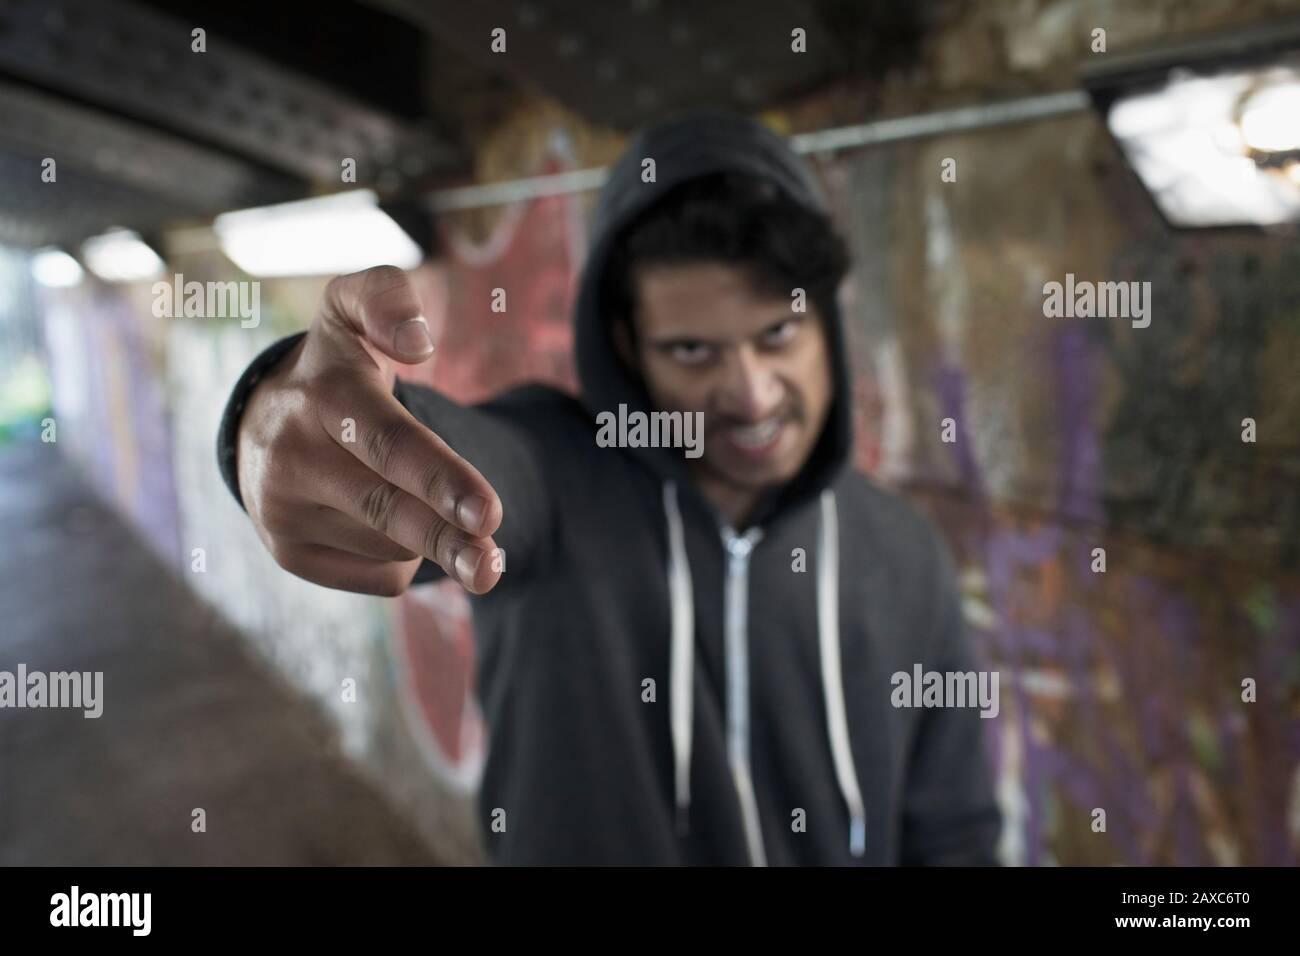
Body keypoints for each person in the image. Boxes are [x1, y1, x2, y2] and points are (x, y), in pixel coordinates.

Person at [217, 112, 1001, 865]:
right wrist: (289, 416)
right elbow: (470, 465)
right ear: (626, 342)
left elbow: (955, 838)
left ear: (825, 320)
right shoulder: (558, 476)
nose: (753, 394)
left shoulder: (905, 555)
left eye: (777, 335)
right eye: (693, 350)